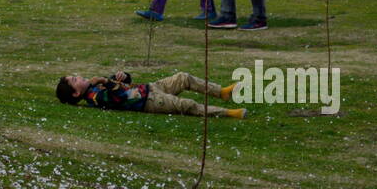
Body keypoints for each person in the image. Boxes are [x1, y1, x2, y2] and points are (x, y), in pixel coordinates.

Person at [55, 70, 245, 118]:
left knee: (183, 77)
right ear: (76, 93)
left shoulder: (95, 89)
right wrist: (107, 81)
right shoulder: (95, 98)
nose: (78, 76)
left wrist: (122, 76)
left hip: (151, 88)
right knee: (187, 105)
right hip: (150, 101)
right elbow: (119, 96)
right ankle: (227, 113)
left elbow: (124, 83)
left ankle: (221, 93)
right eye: (74, 80)